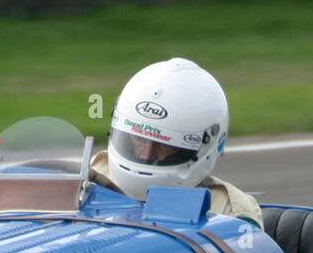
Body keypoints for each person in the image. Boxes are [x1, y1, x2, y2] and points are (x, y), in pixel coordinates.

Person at [89, 57, 262, 226]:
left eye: (165, 146)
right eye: (138, 138)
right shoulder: (92, 175)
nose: (145, 154)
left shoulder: (230, 212)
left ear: (206, 147)